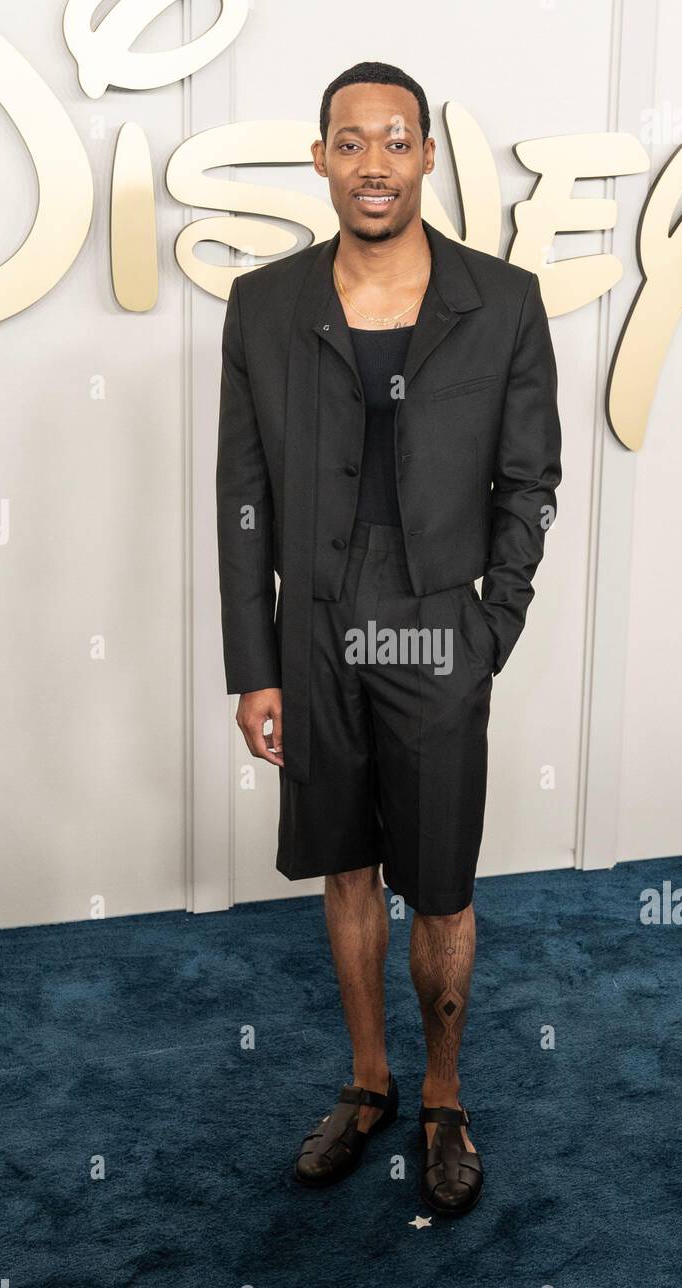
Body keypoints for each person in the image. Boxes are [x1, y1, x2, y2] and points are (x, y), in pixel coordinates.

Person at [216, 60, 562, 1217]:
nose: (374, 162)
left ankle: (444, 1095)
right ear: (320, 158)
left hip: (437, 624)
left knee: (443, 880)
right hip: (308, 625)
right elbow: (243, 492)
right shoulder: (262, 304)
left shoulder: (503, 300)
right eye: (350, 141)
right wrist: (253, 663)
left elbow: (530, 480)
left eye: (396, 140)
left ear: (424, 158)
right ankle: (368, 1083)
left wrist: (490, 625)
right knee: (344, 862)